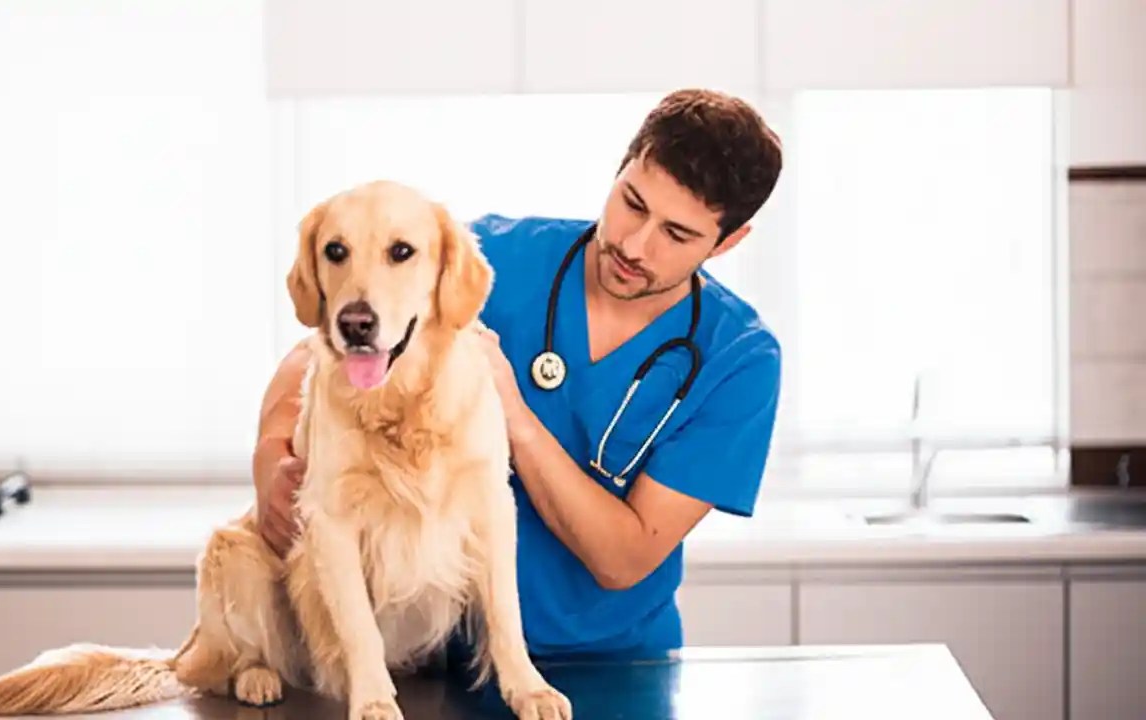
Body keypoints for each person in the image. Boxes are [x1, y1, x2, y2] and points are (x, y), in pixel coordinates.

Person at [253, 88, 783, 660]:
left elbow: (623, 558)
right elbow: (323, 352)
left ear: (729, 242)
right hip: (431, 654)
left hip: (607, 661)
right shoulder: (500, 259)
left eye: (676, 234)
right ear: (620, 171)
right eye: (631, 202)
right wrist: (270, 457)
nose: (634, 243)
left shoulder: (739, 359)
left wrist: (515, 415)